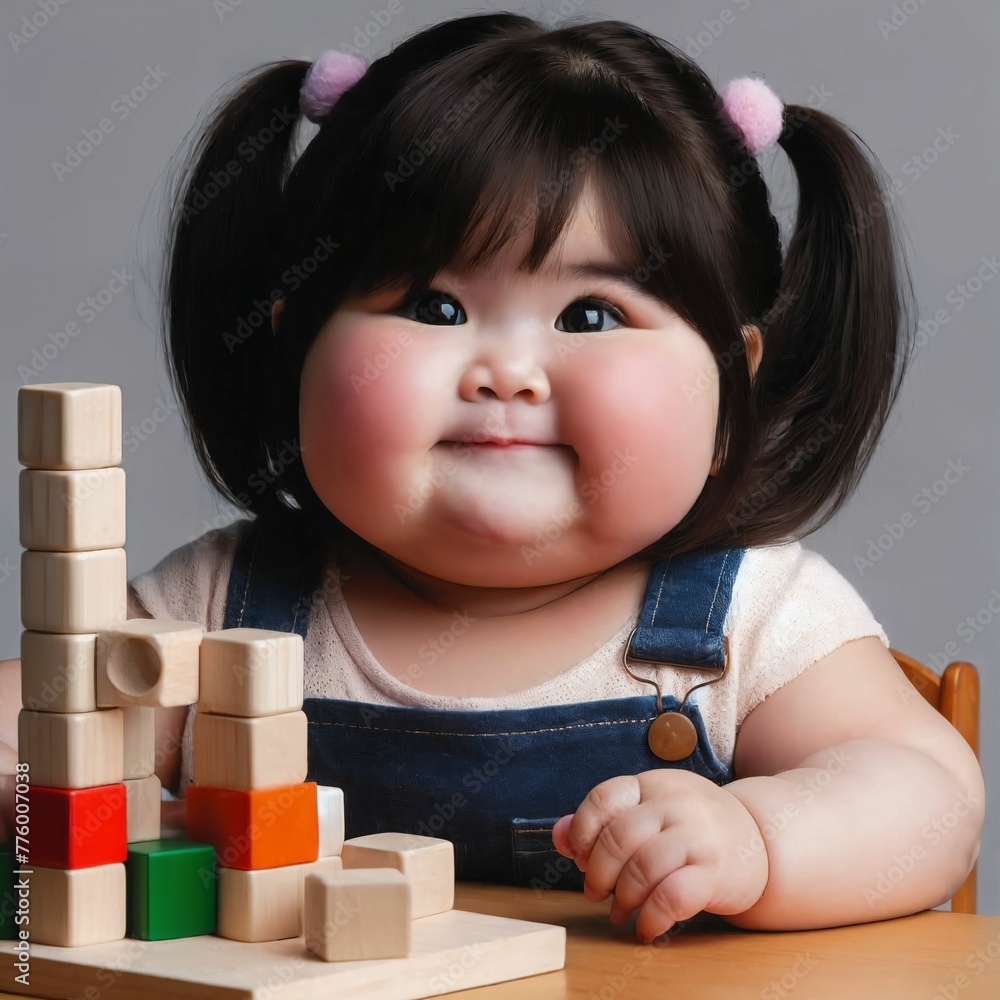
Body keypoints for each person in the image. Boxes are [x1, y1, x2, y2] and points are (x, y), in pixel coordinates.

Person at [0, 11, 983, 943]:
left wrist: (760, 840)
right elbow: (38, 722)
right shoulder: (224, 609)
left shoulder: (748, 624)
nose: (506, 371)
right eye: (433, 306)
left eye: (591, 315)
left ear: (734, 383)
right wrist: (33, 795)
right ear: (292, 349)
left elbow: (926, 800)